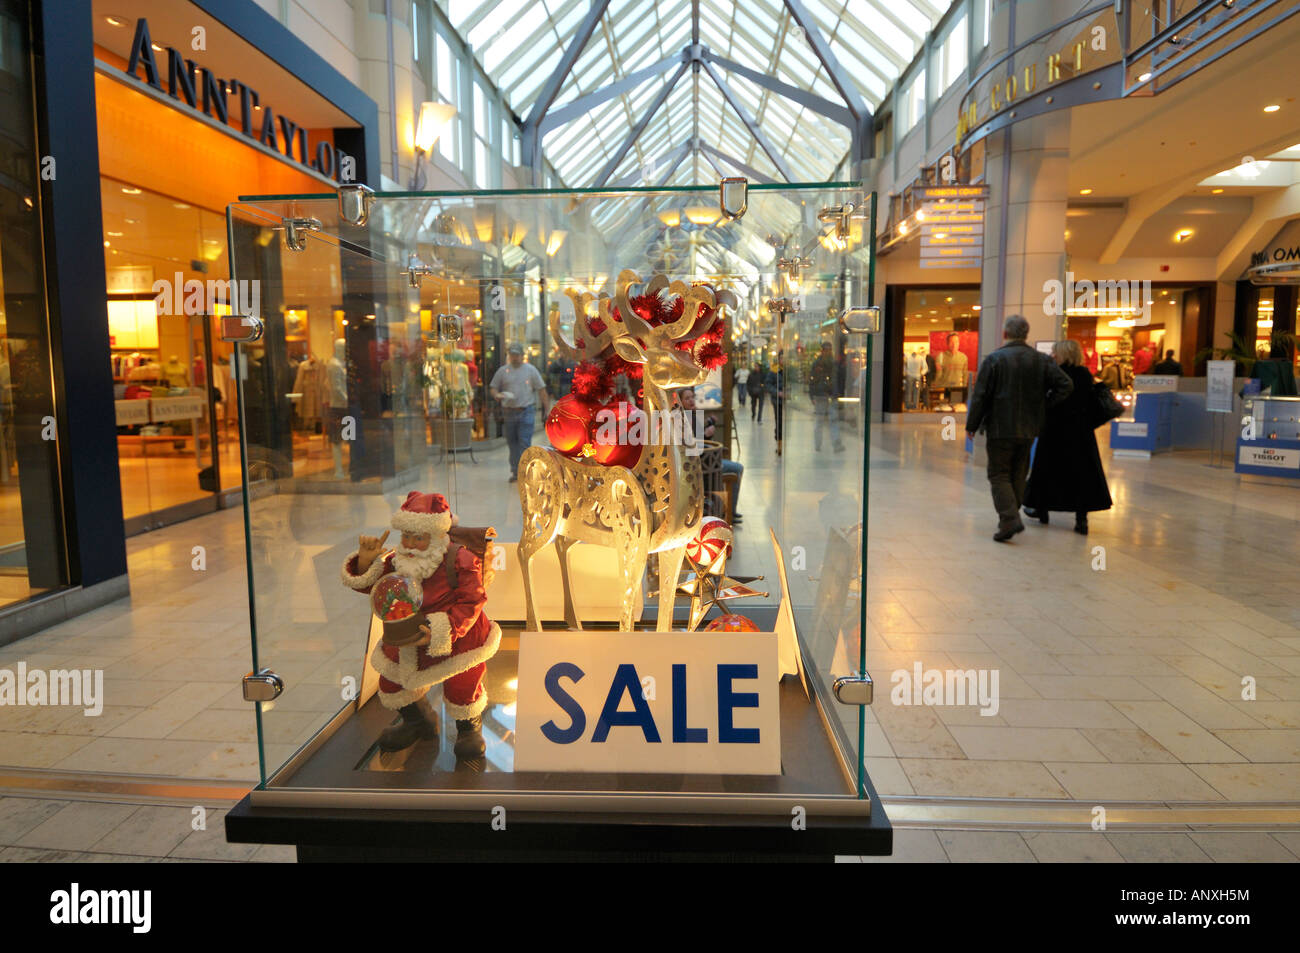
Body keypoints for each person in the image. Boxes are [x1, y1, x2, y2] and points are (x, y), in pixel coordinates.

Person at [341, 491, 501, 757]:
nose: (411, 544)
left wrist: (443, 629)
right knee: (391, 682)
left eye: (419, 537)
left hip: (457, 639)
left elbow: (472, 600)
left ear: (437, 536)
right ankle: (418, 721)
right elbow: (377, 589)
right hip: (409, 637)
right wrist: (366, 563)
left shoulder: (461, 559)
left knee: (462, 685)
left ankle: (468, 728)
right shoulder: (397, 560)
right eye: (406, 536)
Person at [965, 315, 1074, 542]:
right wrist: (1044, 405)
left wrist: (972, 424)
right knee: (1018, 472)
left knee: (998, 473)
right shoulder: (1041, 360)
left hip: (1000, 426)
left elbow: (981, 396)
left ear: (1005, 333)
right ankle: (1011, 517)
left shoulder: (994, 359)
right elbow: (1065, 384)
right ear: (1026, 333)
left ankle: (1009, 518)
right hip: (1029, 427)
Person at [1022, 340, 1113, 535]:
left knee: (1047, 470)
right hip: (1080, 432)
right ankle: (1081, 519)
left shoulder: (1055, 374)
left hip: (1055, 430)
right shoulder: (1084, 374)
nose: (1053, 355)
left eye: (1055, 352)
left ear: (1063, 354)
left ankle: (1042, 509)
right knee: (1081, 474)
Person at [680, 387, 744, 523]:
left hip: (707, 461)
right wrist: (706, 434)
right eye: (687, 398)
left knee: (737, 468)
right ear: (680, 402)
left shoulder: (692, 415)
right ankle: (730, 512)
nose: (691, 400)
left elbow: (698, 436)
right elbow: (691, 445)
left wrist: (708, 424)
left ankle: (730, 510)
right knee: (737, 468)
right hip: (700, 466)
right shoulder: (682, 419)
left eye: (692, 397)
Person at [489, 343, 548, 482]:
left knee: (524, 442)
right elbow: (493, 387)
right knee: (512, 442)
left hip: (526, 410)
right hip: (509, 411)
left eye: (517, 355)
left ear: (522, 356)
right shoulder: (503, 371)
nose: (514, 358)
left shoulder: (531, 370)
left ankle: (525, 471)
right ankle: (515, 471)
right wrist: (497, 395)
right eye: (512, 355)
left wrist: (546, 409)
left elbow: (541, 389)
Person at [808, 341, 844, 452]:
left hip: (830, 395)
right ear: (822, 350)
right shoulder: (819, 364)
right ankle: (818, 444)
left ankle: (836, 445)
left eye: (829, 350)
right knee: (820, 421)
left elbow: (837, 380)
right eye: (826, 350)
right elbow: (812, 380)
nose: (828, 352)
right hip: (821, 396)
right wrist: (812, 395)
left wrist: (838, 394)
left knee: (832, 420)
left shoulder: (833, 363)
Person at [936, 333, 969, 407]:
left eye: (956, 342)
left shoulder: (963, 357)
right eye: (951, 342)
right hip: (944, 388)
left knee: (955, 410)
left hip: (957, 389)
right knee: (944, 412)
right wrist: (937, 388)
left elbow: (965, 374)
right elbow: (938, 375)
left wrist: (963, 388)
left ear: (959, 343)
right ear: (947, 343)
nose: (954, 344)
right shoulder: (941, 357)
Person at [767, 357, 785, 456]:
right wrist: (778, 393)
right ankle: (779, 445)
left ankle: (782, 442)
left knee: (784, 424)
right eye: (782, 358)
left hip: (787, 402)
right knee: (779, 422)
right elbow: (768, 385)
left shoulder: (789, 370)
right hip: (777, 400)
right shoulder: (774, 371)